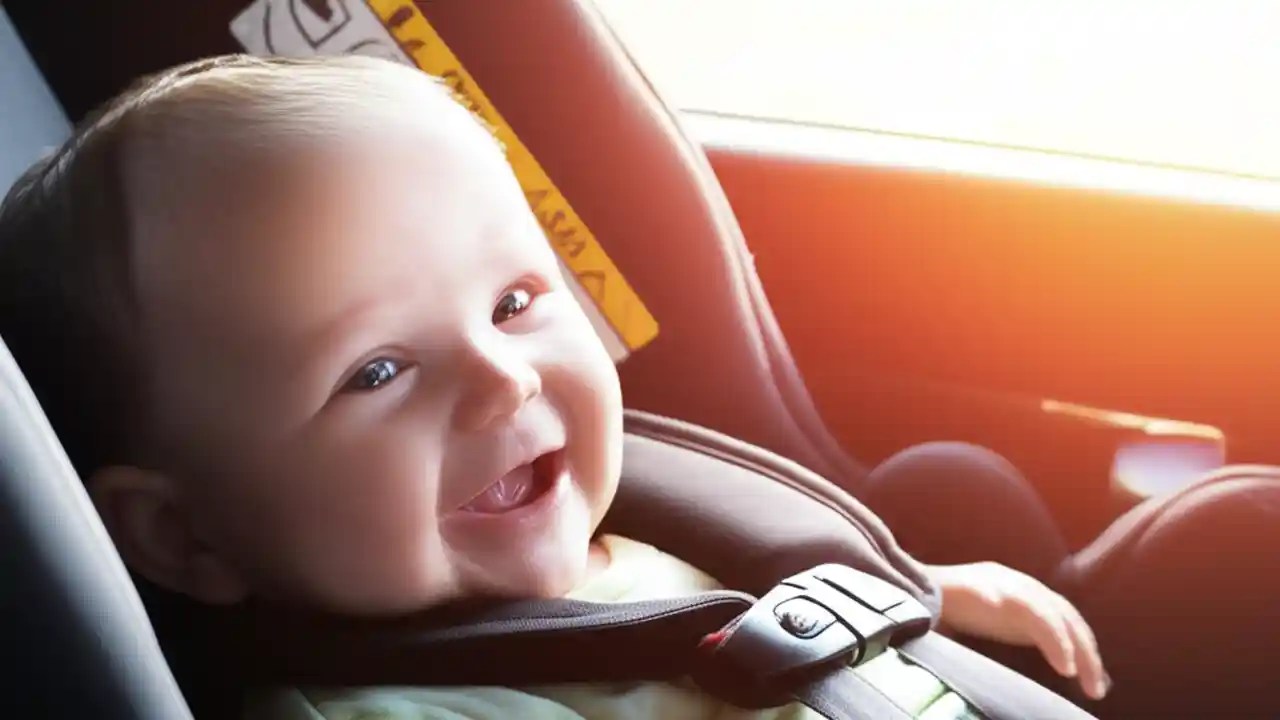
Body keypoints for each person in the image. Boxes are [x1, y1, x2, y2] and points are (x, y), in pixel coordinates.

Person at [0, 54, 1271, 719]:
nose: (502, 381)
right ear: (187, 534)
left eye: (512, 302)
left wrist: (910, 596)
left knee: (1192, 533)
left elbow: (728, 618)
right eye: (375, 371)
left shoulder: (599, 530)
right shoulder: (380, 711)